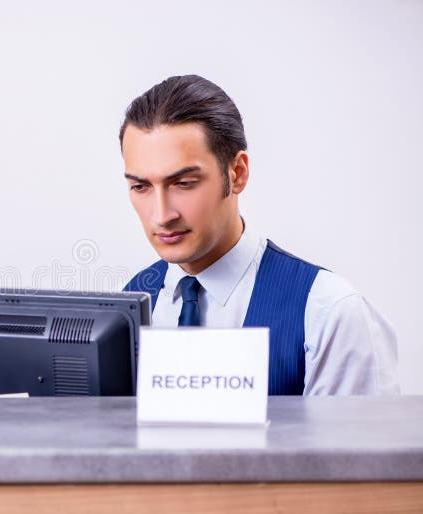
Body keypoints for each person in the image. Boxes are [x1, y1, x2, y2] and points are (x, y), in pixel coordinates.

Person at [121, 75, 398, 395]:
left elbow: (355, 445)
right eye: (140, 186)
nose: (161, 214)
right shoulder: (128, 305)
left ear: (237, 174)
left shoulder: (330, 312)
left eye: (184, 183)